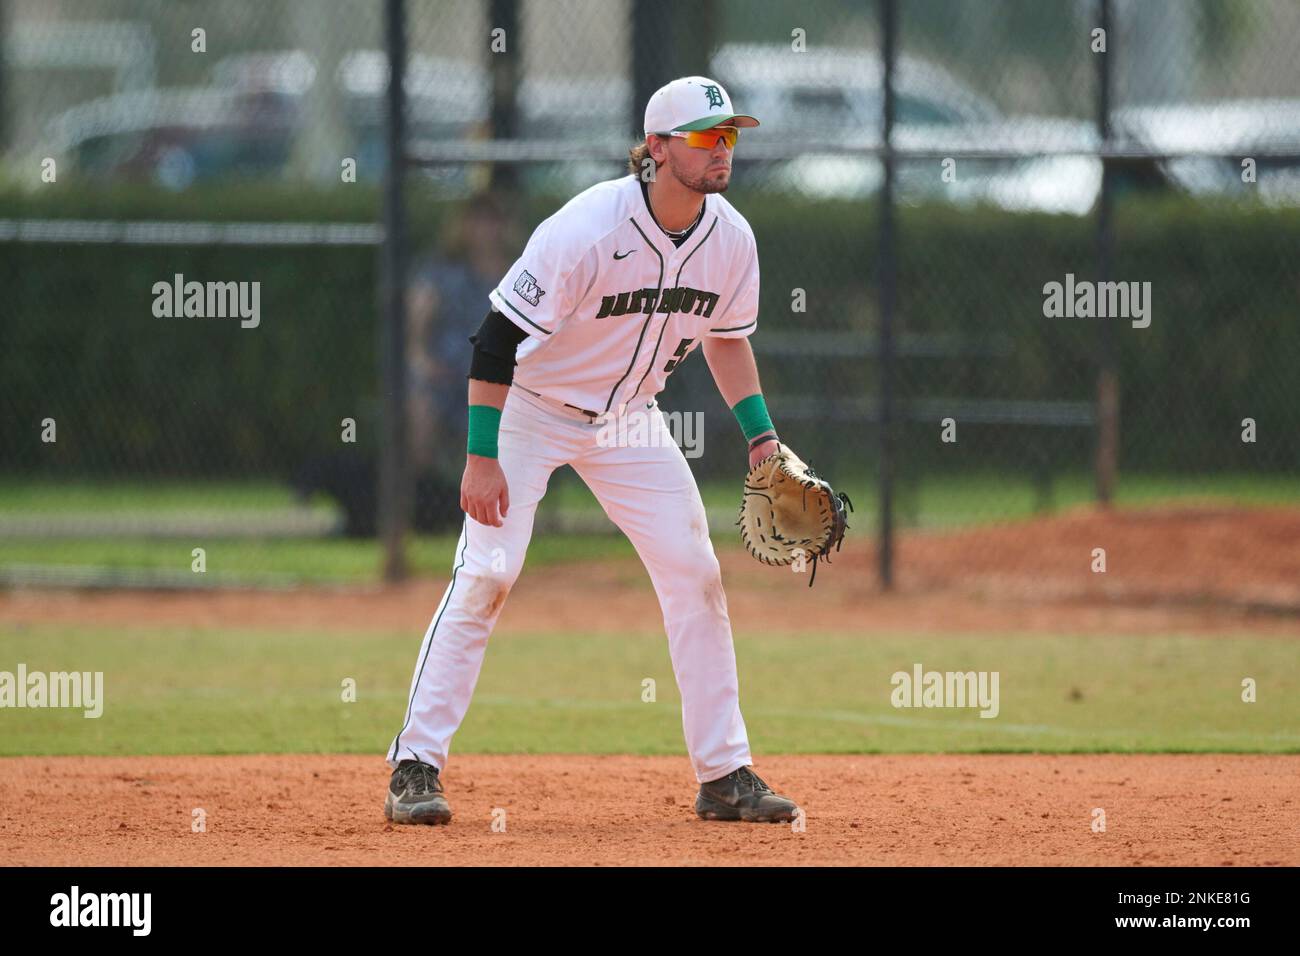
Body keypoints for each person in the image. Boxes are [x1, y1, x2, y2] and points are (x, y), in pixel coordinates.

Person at [384, 76, 801, 825]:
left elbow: (728, 340)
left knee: (696, 572)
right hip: (530, 411)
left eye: (730, 136)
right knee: (488, 572)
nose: (724, 150)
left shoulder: (731, 239)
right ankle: (415, 766)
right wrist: (481, 458)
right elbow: (496, 339)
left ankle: (723, 774)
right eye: (708, 137)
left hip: (629, 420)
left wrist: (762, 436)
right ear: (661, 148)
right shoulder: (587, 227)